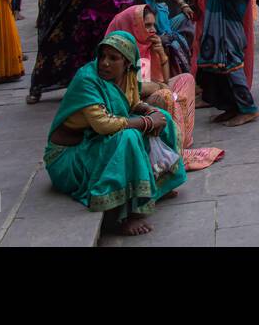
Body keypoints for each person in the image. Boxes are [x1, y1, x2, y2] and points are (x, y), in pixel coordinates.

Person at [44, 30, 186, 236]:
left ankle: (159, 186)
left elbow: (133, 102)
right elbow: (103, 125)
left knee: (163, 116)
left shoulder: (128, 75)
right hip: (69, 157)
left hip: (92, 142)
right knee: (128, 137)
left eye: (113, 58)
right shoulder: (87, 80)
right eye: (102, 56)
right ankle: (118, 215)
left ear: (128, 62)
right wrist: (147, 121)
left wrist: (150, 111)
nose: (104, 63)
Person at [107, 5, 224, 171]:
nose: (153, 30)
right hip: (131, 107)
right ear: (134, 26)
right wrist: (159, 86)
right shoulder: (117, 51)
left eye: (153, 25)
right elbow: (133, 89)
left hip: (151, 93)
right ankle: (175, 146)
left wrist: (162, 55)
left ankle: (182, 138)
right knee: (166, 95)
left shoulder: (147, 45)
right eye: (147, 25)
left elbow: (165, 80)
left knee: (186, 79)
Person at [131, 0, 197, 78]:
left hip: (164, 33)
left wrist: (183, 4)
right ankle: (174, 74)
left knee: (188, 20)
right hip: (147, 40)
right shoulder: (141, 2)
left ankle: (182, 71)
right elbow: (142, 33)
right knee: (171, 45)